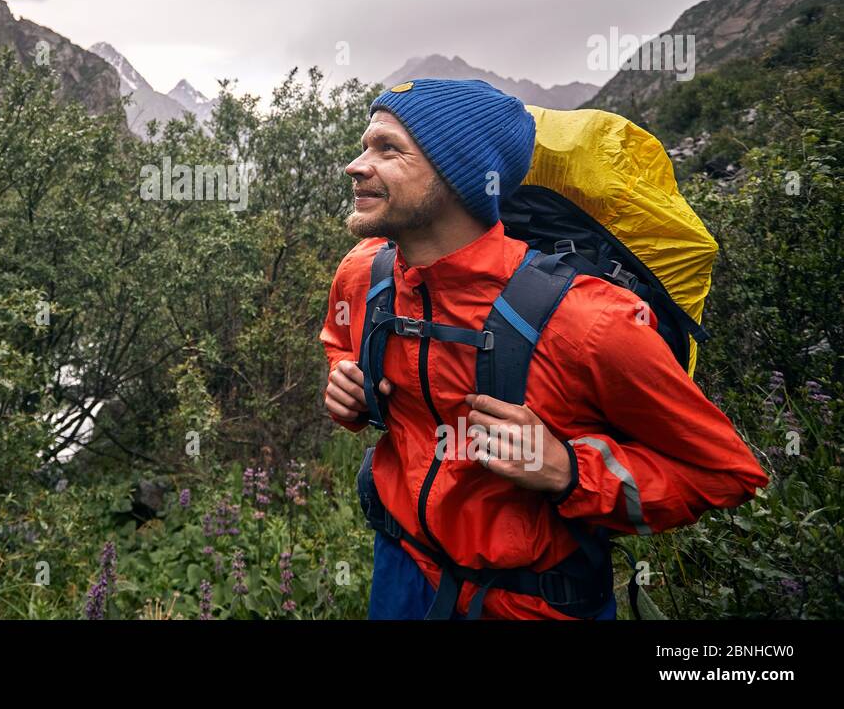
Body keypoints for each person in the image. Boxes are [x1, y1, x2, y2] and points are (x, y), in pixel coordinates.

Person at [319, 78, 770, 619]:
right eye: (366, 144)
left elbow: (726, 473)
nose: (355, 164)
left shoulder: (590, 321)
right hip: (403, 570)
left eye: (388, 148)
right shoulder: (363, 275)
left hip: (534, 602)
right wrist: (348, 379)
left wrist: (571, 473)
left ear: (457, 174)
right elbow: (339, 345)